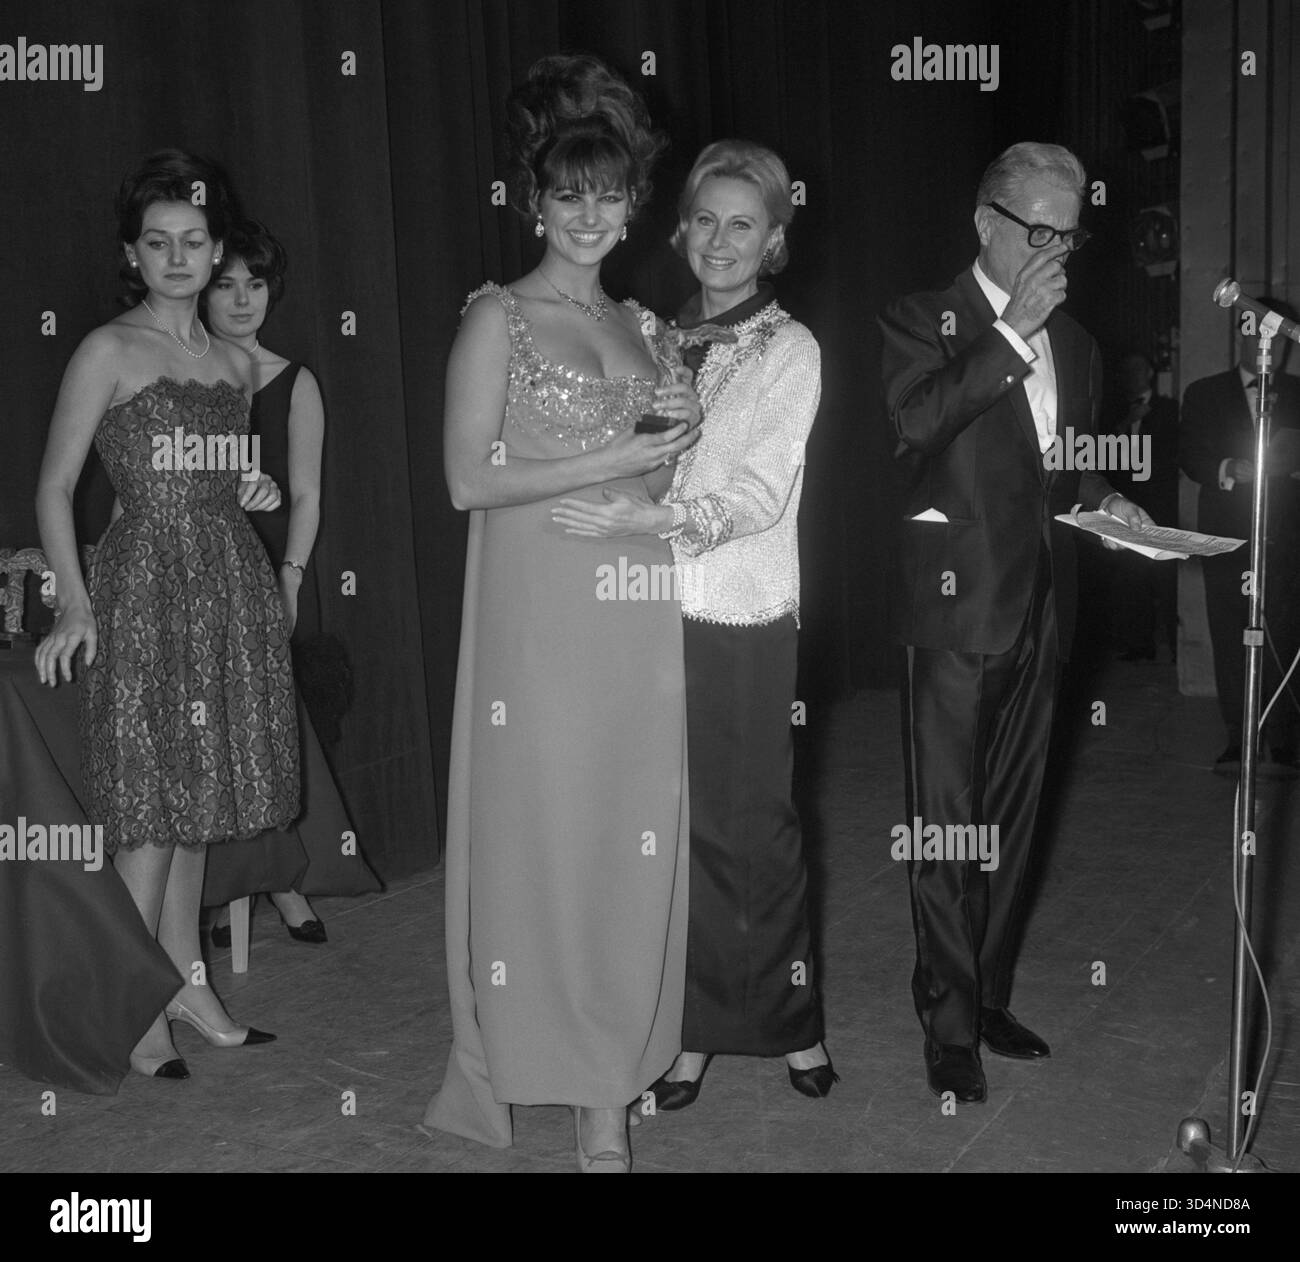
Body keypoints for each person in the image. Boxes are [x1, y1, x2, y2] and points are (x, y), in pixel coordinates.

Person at [424, 54, 700, 1173]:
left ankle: (612, 1075)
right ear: (534, 202)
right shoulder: (498, 317)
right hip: (538, 618)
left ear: (634, 205)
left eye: (609, 193)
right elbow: (465, 483)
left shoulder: (645, 323)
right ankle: (578, 1084)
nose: (589, 214)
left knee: (629, 846)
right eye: (567, 194)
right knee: (547, 837)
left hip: (636, 616)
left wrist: (667, 469)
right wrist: (610, 451)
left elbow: (658, 485)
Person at [553, 139, 832, 1106]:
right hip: (642, 618)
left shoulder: (791, 348)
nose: (720, 240)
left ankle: (791, 1025)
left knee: (753, 828)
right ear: (677, 230)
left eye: (742, 224)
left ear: (775, 240)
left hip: (742, 612)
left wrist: (661, 518)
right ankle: (691, 1031)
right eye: (705, 220)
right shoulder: (649, 337)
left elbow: (760, 492)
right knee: (668, 835)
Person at [879, 142, 1153, 1104]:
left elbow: (1058, 463)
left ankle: (987, 995)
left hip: (1045, 602)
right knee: (949, 828)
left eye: (1071, 232)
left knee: (1013, 821)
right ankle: (947, 1025)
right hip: (955, 607)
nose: (1058, 251)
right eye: (1040, 229)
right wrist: (1010, 336)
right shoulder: (925, 317)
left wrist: (1107, 496)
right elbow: (912, 430)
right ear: (985, 221)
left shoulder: (1076, 345)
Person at [34, 149, 298, 1079]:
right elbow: (56, 486)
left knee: (196, 806)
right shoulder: (107, 349)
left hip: (226, 583)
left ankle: (188, 980)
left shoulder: (234, 361)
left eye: (194, 241)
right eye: (159, 243)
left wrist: (253, 485)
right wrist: (73, 600)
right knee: (149, 808)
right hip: (144, 583)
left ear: (215, 246)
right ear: (133, 254)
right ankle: (135, 1004)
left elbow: (225, 474)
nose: (179, 258)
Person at [199, 220, 378, 944]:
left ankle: (283, 882)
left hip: (272, 568)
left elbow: (306, 495)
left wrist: (292, 579)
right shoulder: (175, 374)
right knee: (207, 739)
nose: (243, 300)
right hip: (195, 570)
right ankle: (215, 890)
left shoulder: (293, 380)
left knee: (275, 740)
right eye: (226, 283)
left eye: (256, 284)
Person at [1180, 306, 1300, 776]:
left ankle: (1286, 738)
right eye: (1261, 335)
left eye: (1282, 338)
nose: (1272, 345)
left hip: (1288, 533)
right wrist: (1228, 470)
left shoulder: (1298, 393)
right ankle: (1239, 737)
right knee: (1230, 633)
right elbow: (1188, 454)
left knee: (1287, 632)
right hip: (1227, 534)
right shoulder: (1205, 393)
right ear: (1242, 338)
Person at [1103, 352, 1179, 660]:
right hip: (1126, 502)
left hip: (1160, 503)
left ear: (1149, 372)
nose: (1133, 375)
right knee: (1131, 578)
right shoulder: (1115, 412)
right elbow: (1101, 453)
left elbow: (1172, 454)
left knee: (1166, 576)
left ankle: (1176, 646)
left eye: (1138, 368)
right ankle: (1139, 645)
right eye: (1127, 370)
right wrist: (1126, 423)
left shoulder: (1167, 408)